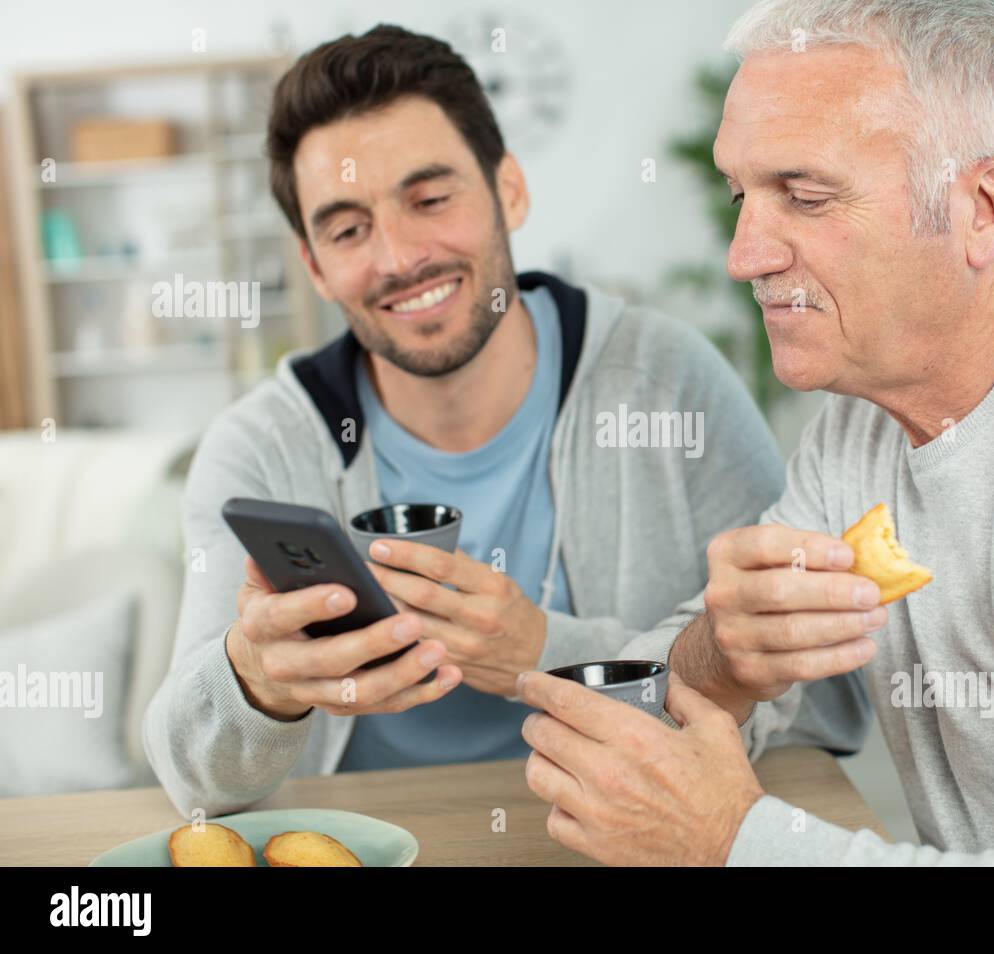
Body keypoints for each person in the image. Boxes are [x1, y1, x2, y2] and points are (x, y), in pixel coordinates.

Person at [518, 0, 994, 866]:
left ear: (984, 206)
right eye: (743, 195)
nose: (744, 254)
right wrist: (722, 660)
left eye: (805, 196)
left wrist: (738, 845)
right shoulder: (862, 421)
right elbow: (631, 733)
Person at [143, 25, 786, 818]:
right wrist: (257, 679)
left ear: (508, 189)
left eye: (431, 198)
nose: (399, 257)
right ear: (314, 265)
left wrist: (544, 653)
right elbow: (191, 778)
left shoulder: (668, 385)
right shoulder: (260, 448)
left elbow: (816, 706)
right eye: (347, 229)